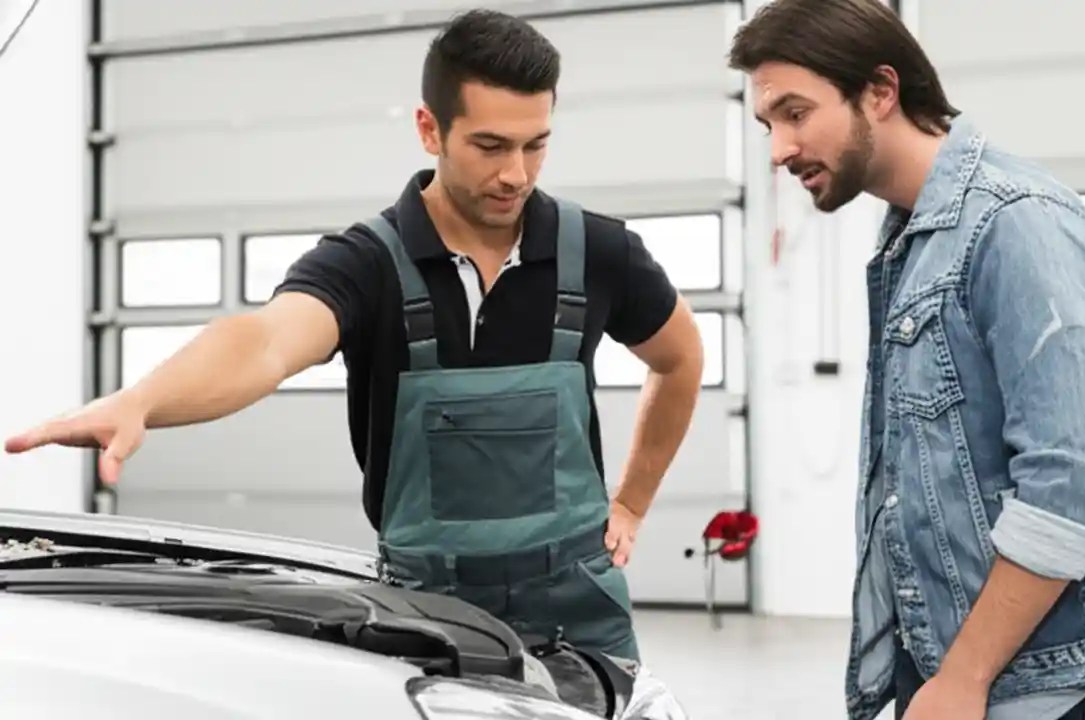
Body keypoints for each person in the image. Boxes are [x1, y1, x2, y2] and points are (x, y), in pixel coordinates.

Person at [5, 9, 704, 662]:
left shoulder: (599, 252)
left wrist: (633, 502)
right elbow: (265, 342)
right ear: (430, 130)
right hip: (428, 608)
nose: (515, 174)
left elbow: (679, 358)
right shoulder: (368, 262)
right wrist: (144, 400)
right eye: (489, 146)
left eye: (535, 145)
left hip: (577, 608)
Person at [728, 1, 1085, 719]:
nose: (779, 150)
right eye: (767, 124)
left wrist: (965, 677)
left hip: (1042, 681)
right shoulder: (912, 242)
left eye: (795, 113)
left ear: (880, 92)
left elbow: (1075, 477)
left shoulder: (1017, 222)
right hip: (961, 668)